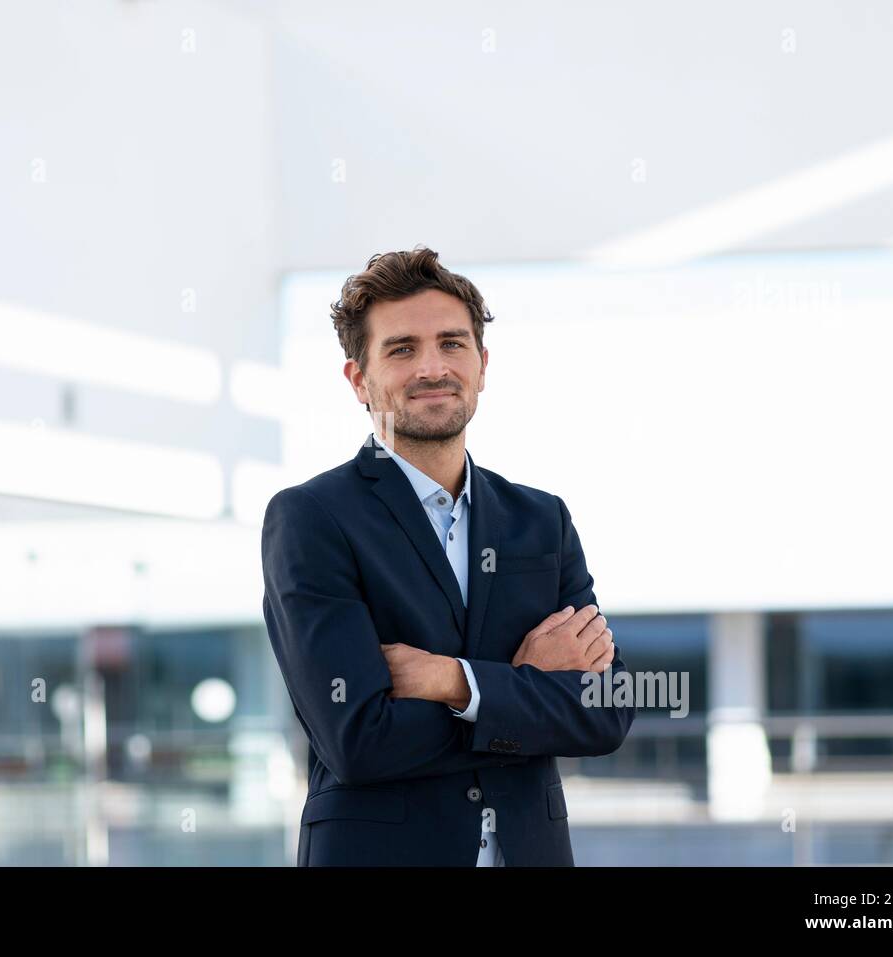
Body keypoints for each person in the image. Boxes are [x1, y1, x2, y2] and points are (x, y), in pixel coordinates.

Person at [261, 246, 634, 866]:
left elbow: (608, 709)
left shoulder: (542, 520)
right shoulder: (311, 518)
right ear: (359, 379)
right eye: (402, 348)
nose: (432, 367)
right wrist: (526, 687)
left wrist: (450, 681)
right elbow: (357, 738)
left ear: (482, 365)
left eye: (452, 344)